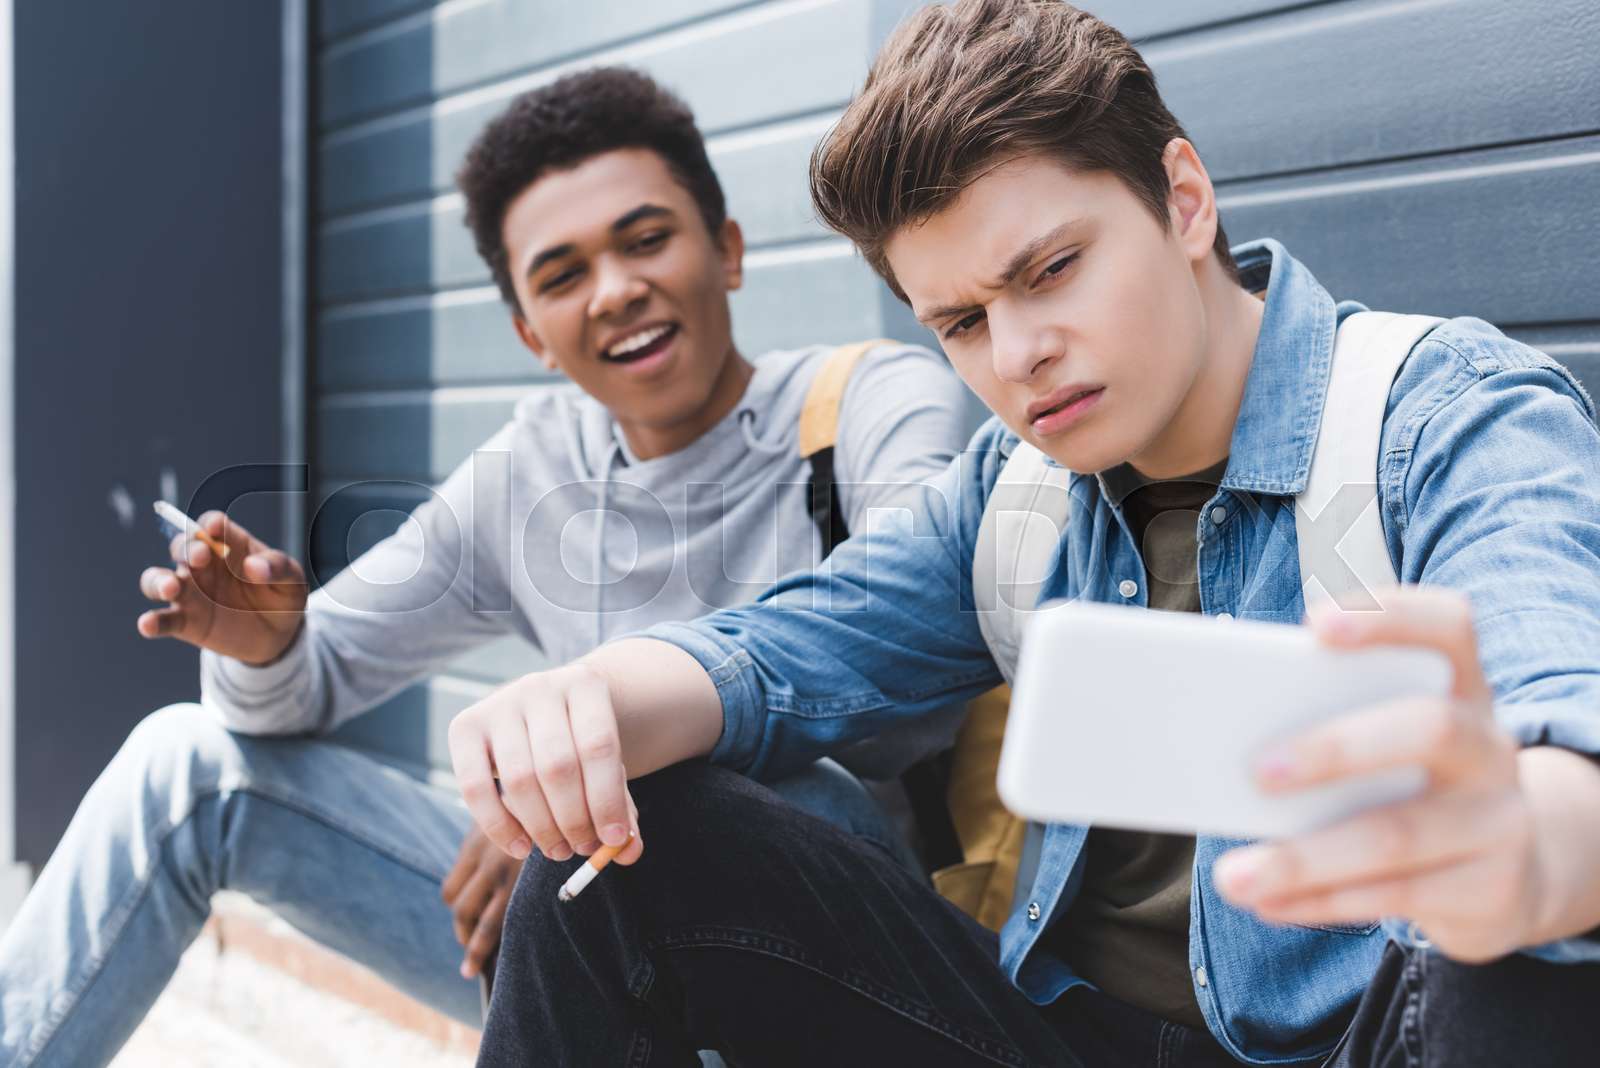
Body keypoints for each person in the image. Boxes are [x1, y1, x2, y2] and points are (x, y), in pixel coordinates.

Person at [456, 3, 1600, 1065]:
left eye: (1051, 270)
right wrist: (584, 708)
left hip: (1370, 1037)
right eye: (960, 320)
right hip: (1054, 1040)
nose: (1016, 356)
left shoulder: (1446, 419)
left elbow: (1568, 721)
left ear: (1183, 200)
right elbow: (785, 654)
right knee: (614, 847)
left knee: (1524, 959)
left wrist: (1525, 843)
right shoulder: (1016, 484)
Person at [0, 67, 973, 1068]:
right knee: (186, 761)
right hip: (588, 915)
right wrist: (265, 648)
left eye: (646, 240)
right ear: (527, 334)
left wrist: (577, 804)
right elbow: (297, 694)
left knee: (782, 794)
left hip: (844, 960)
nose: (616, 290)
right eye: (561, 275)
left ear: (725, 251)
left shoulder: (867, 405)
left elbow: (921, 644)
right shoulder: (529, 473)